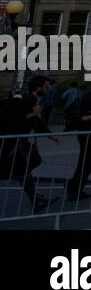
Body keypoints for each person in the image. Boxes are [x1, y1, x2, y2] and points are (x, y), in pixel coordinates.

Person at [0, 76, 59, 213]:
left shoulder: (32, 100)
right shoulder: (28, 100)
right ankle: (36, 200)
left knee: (23, 170)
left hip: (16, 143)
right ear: (38, 87)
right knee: (18, 170)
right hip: (11, 143)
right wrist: (34, 113)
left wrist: (51, 136)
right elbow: (16, 120)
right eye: (46, 87)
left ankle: (36, 201)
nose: (48, 89)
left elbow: (35, 124)